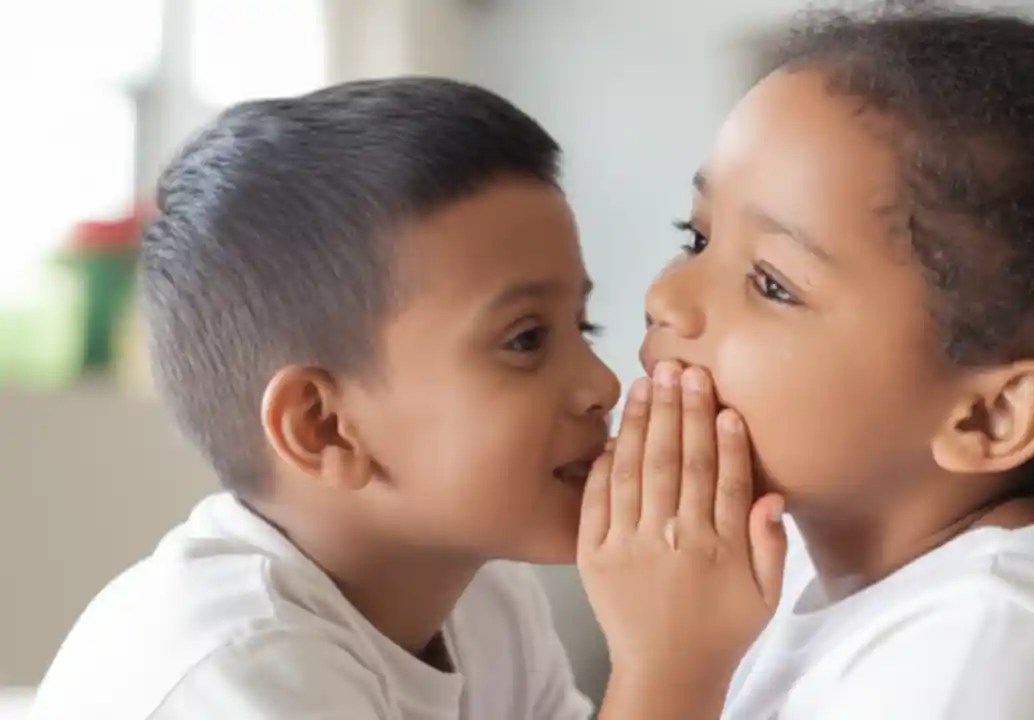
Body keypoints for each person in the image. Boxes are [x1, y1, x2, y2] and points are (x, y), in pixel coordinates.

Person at [580, 6, 1034, 719]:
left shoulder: (985, 651)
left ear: (989, 415)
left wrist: (664, 673)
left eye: (772, 283)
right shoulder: (787, 575)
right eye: (697, 238)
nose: (666, 297)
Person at [31, 77, 620, 719]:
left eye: (583, 326)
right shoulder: (241, 668)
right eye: (526, 339)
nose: (603, 385)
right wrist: (663, 660)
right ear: (325, 428)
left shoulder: (489, 600)